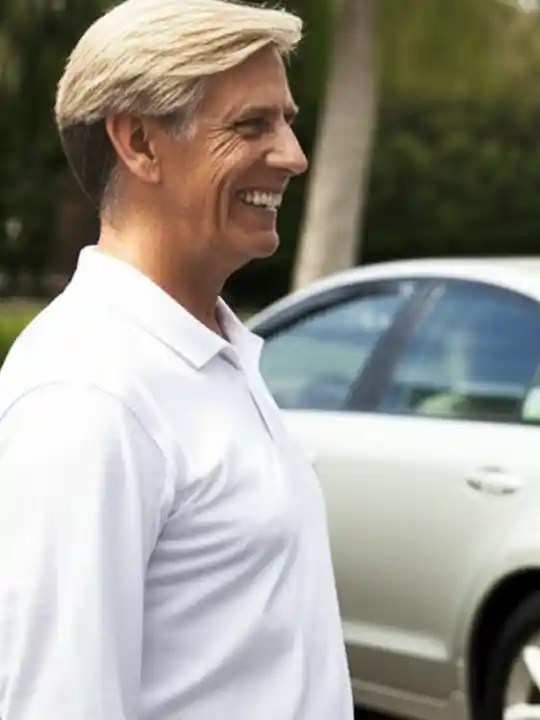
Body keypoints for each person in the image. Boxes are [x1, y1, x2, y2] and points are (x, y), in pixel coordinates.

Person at [0, 1, 352, 718]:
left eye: (287, 120)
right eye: (252, 124)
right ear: (140, 142)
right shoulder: (89, 394)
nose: (292, 155)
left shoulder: (206, 354)